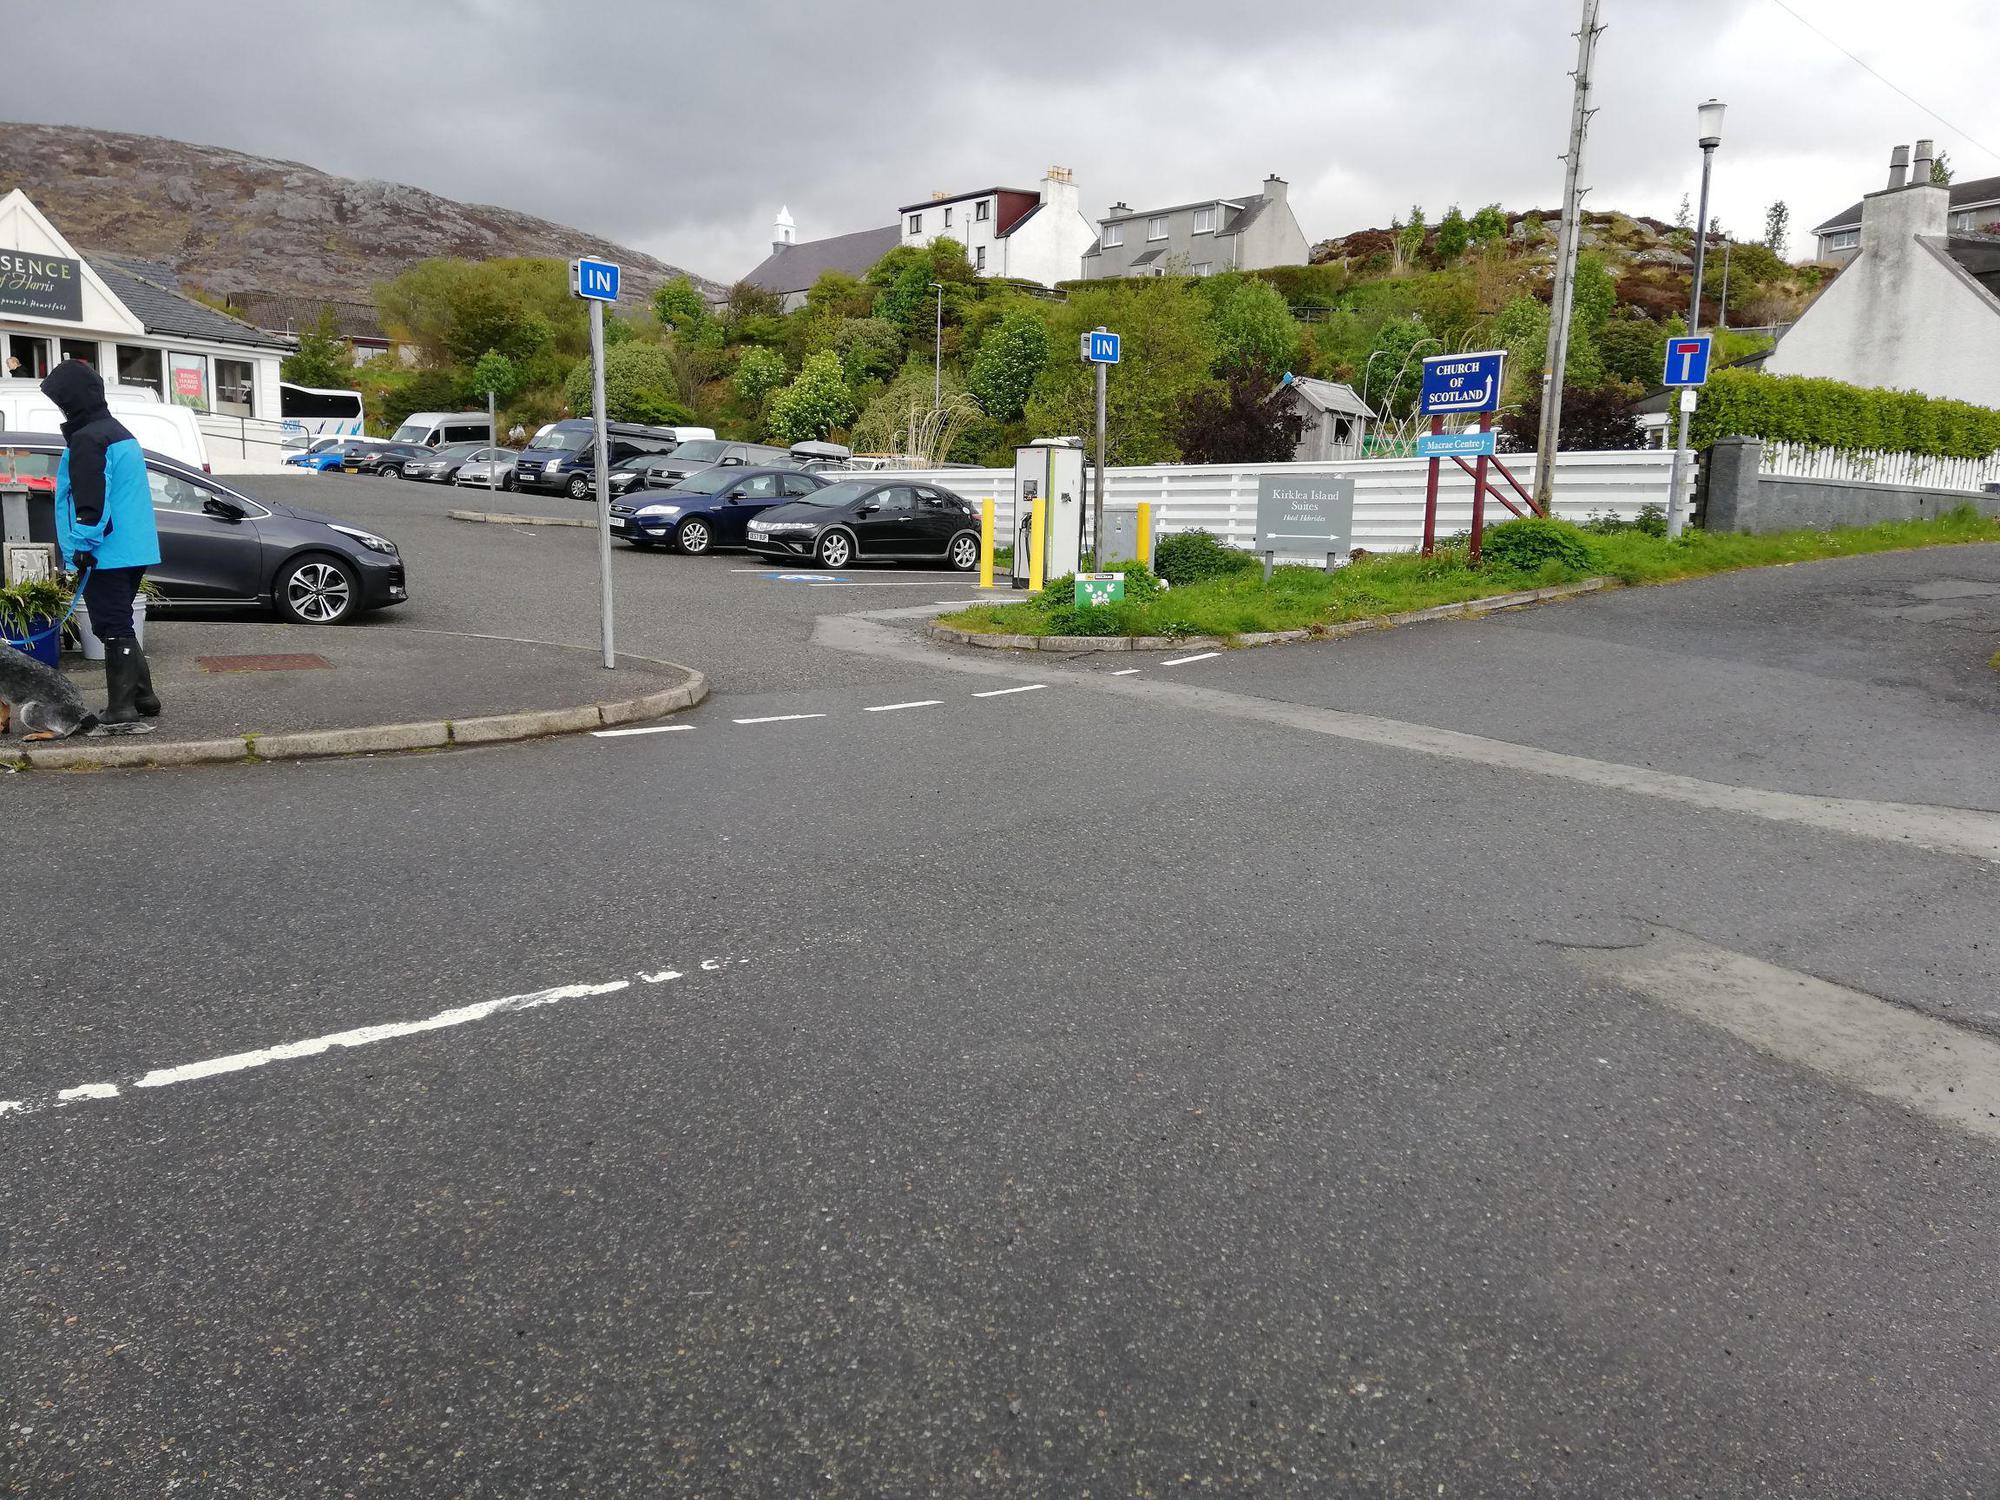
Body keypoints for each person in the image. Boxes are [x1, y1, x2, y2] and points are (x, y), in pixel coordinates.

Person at [42, 359, 161, 731]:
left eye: (59, 400)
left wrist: (83, 544)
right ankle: (144, 697)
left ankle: (121, 709)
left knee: (111, 626)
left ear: (71, 400)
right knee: (119, 621)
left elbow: (91, 498)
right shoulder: (117, 432)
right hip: (133, 546)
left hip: (106, 550)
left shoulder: (88, 438)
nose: (59, 407)